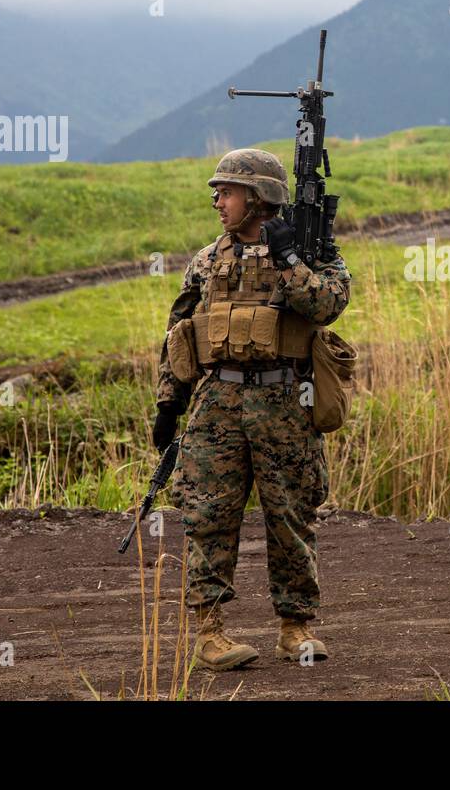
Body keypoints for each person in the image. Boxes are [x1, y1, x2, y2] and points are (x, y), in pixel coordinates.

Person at [153, 147, 351, 668]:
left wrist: (289, 261)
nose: (218, 200)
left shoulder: (310, 252)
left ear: (259, 198)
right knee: (208, 515)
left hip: (284, 400)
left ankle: (295, 626)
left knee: (290, 515)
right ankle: (210, 632)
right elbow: (178, 331)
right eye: (217, 192)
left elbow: (329, 305)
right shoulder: (207, 259)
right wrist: (167, 403)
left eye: (228, 191)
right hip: (217, 402)